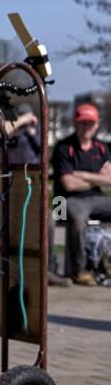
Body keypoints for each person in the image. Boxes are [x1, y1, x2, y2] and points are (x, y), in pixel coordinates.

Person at [53, 102, 111, 285]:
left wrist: (83, 175)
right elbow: (68, 184)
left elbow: (110, 180)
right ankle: (79, 270)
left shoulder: (102, 148)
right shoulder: (63, 148)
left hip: (97, 198)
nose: (86, 127)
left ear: (96, 126)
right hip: (66, 200)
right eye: (82, 123)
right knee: (78, 219)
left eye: (90, 123)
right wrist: (97, 178)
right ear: (75, 124)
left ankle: (106, 264)